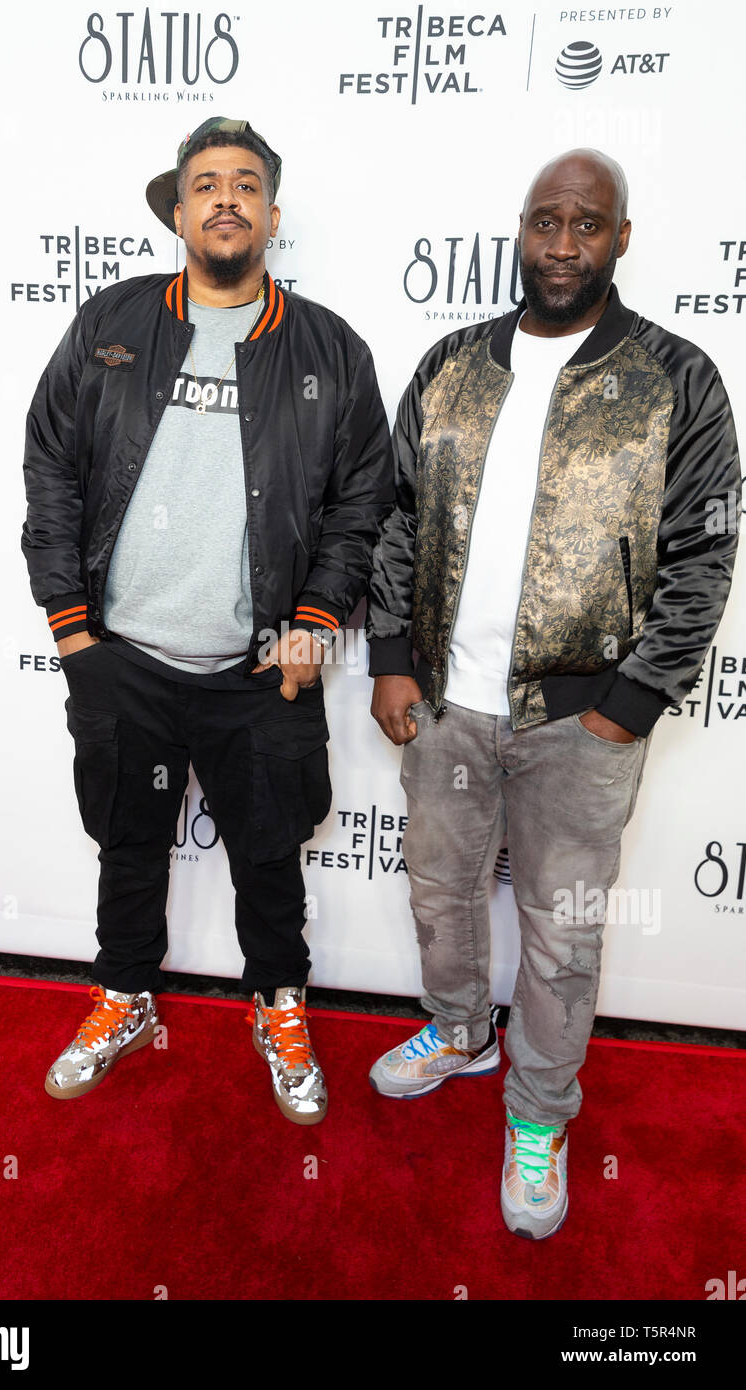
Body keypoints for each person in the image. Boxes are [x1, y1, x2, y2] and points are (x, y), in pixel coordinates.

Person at [365, 149, 740, 1235]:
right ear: (518, 232)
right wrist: (392, 654)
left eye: (587, 223)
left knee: (562, 933)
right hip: (444, 702)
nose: (563, 243)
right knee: (439, 898)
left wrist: (630, 699)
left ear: (621, 237)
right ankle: (457, 1033)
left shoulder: (675, 375)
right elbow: (394, 519)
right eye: (544, 222)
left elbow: (703, 555)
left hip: (581, 721)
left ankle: (538, 1111)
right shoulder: (451, 364)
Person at [21, 117, 391, 1125]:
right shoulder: (113, 324)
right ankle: (124, 996)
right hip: (124, 658)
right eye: (204, 184)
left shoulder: (327, 347)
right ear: (178, 211)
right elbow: (51, 465)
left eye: (245, 183)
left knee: (268, 853)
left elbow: (363, 497)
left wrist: (315, 618)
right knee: (128, 843)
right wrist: (71, 628)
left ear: (271, 212)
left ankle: (277, 1005)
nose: (225, 198)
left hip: (261, 664)